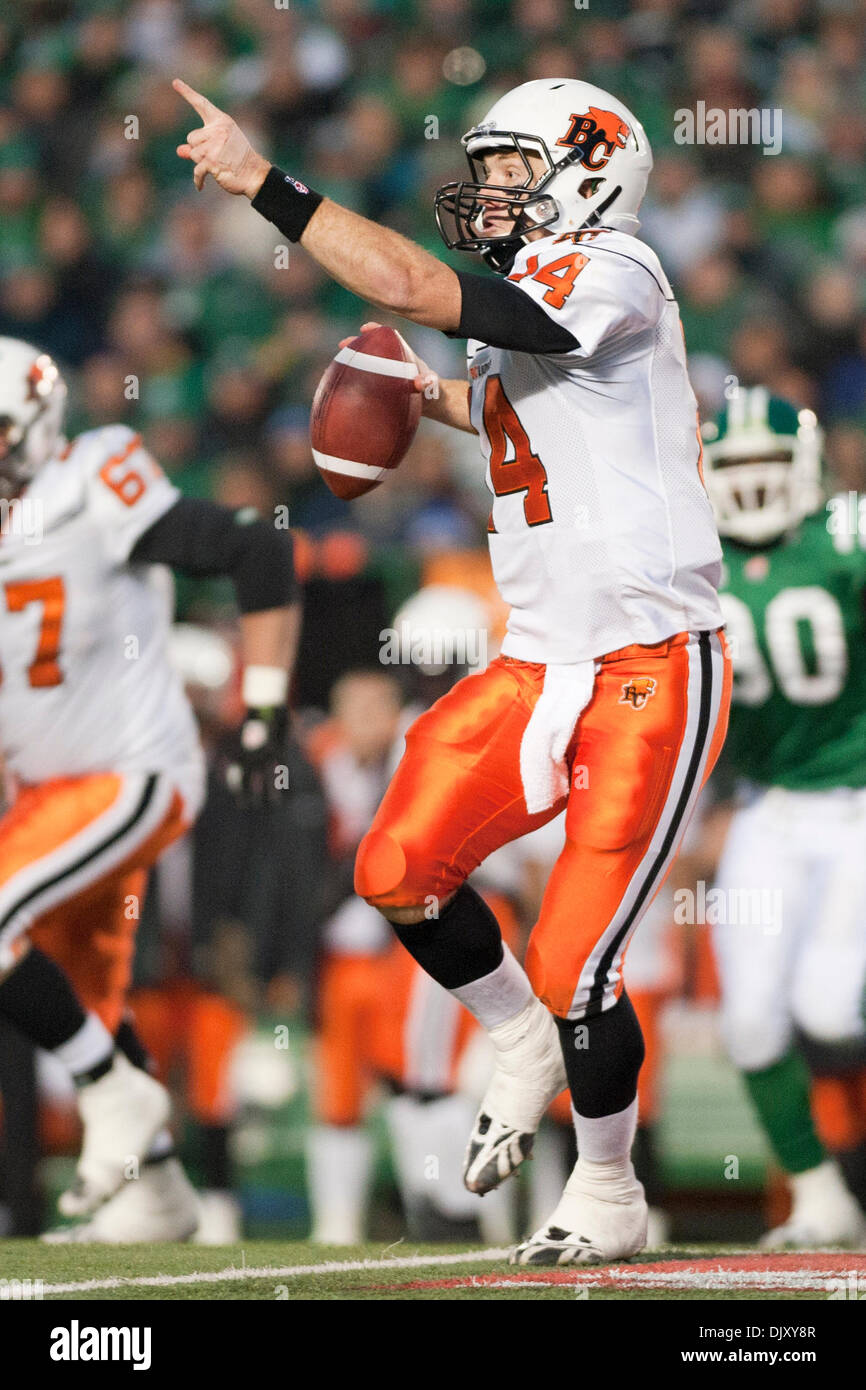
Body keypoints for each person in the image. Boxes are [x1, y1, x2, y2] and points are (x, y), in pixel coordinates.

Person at [174, 75, 731, 1265]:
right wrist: (412, 397)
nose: (485, 189)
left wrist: (263, 183)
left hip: (649, 660)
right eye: (485, 166)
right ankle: (513, 1036)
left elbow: (408, 284)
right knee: (394, 864)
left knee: (577, 957)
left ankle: (607, 1181)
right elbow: (526, 417)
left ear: (586, 173)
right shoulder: (536, 305)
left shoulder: (616, 267)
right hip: (537, 659)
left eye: (511, 168)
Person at [0, 335, 299, 1240]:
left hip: (135, 773)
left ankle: (114, 1096)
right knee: (83, 999)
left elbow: (256, 554)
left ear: (38, 427)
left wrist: (264, 713)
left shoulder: (94, 476)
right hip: (52, 797)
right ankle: (159, 1191)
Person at [705, 386, 866, 1247]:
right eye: (740, 468)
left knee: (833, 1008)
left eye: (771, 465)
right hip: (770, 808)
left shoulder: (847, 540)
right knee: (750, 1020)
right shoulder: (691, 560)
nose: (757, 484)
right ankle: (819, 1197)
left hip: (859, 801)